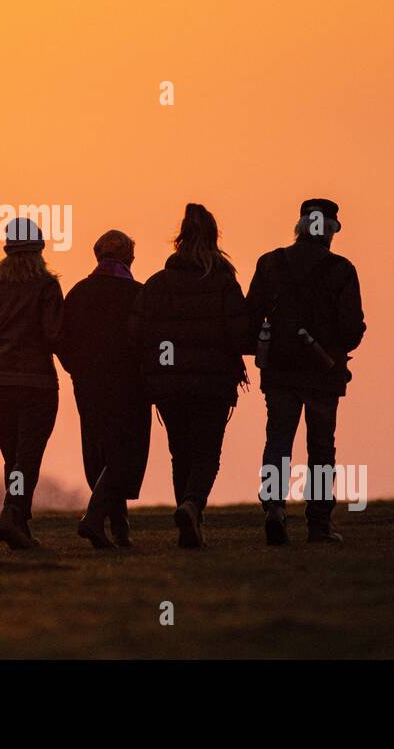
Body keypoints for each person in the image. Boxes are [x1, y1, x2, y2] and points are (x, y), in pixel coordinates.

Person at [245, 198, 366, 545]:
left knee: (278, 441)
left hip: (279, 372)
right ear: (330, 230)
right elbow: (350, 329)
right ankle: (318, 524)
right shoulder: (343, 270)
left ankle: (274, 507)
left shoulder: (269, 263)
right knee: (321, 448)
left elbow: (251, 317)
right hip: (323, 374)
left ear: (299, 226)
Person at [132, 204, 250, 548]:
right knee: (206, 452)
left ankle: (187, 514)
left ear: (179, 239)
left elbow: (136, 332)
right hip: (213, 384)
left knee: (179, 452)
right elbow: (241, 337)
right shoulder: (224, 282)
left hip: (167, 384)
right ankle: (193, 505)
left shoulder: (156, 284)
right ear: (214, 238)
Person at [0, 217, 63, 550]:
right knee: (28, 456)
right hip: (38, 382)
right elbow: (55, 335)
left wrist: (0, 352)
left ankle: (17, 522)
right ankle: (12, 514)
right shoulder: (48, 287)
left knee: (13, 457)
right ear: (39, 250)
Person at [56, 230, 151, 549]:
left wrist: (77, 369)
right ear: (130, 258)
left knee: (101, 453)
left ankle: (119, 529)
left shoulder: (78, 293)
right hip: (129, 385)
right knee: (126, 452)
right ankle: (95, 519)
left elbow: (61, 340)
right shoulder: (138, 293)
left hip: (88, 385)